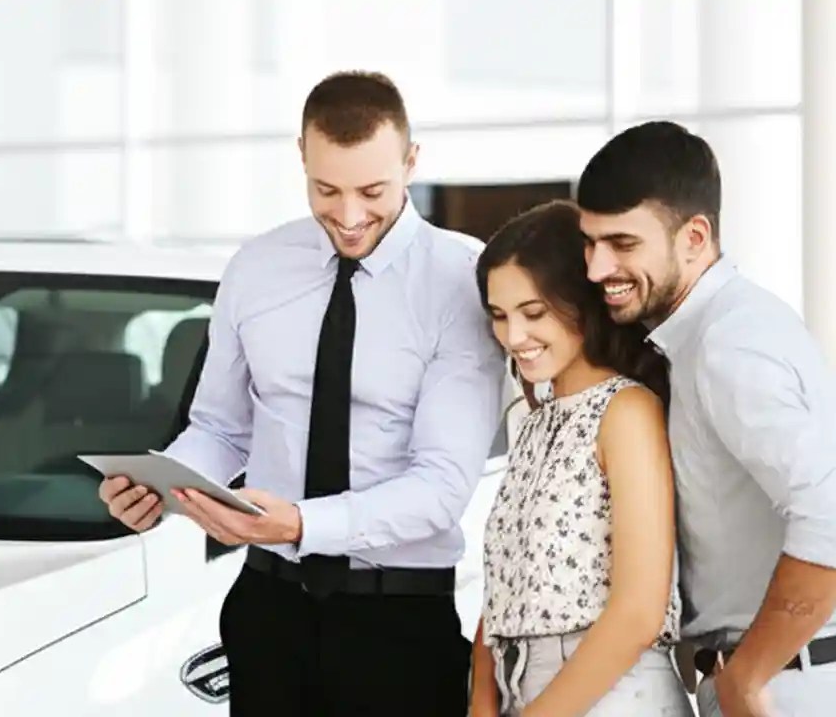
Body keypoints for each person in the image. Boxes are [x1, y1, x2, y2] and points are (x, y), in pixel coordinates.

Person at [97, 70, 506, 715]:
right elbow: (220, 429)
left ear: (411, 161)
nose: (348, 217)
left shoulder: (460, 280)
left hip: (397, 622)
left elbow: (440, 488)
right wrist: (163, 485)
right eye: (327, 189)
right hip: (268, 612)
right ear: (302, 158)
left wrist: (303, 524)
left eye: (372, 190)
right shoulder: (256, 268)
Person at [577, 119, 836, 716]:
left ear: (695, 236)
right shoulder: (717, 332)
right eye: (590, 243)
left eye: (622, 243)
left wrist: (747, 677)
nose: (595, 269)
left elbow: (826, 514)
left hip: (785, 684)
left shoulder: (728, 345)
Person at [468, 199, 692, 716]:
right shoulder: (533, 419)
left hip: (610, 693)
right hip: (520, 685)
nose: (513, 337)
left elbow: (638, 611)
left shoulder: (628, 410)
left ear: (581, 302)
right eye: (499, 316)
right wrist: (483, 698)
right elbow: (503, 587)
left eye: (533, 312)